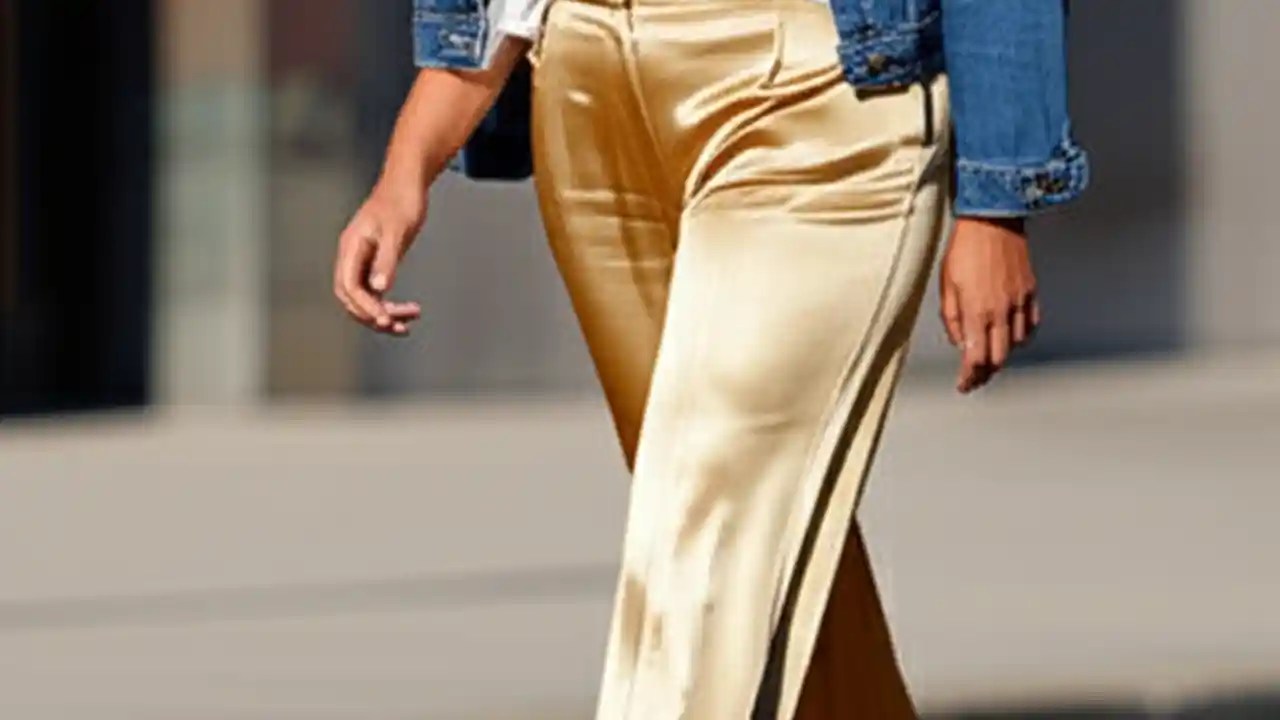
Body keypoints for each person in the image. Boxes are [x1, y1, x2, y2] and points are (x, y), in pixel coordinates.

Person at [332, 0, 1088, 716]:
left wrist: (996, 197)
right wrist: (412, 159)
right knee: (745, 533)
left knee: (706, 533)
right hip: (587, 84)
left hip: (817, 100)